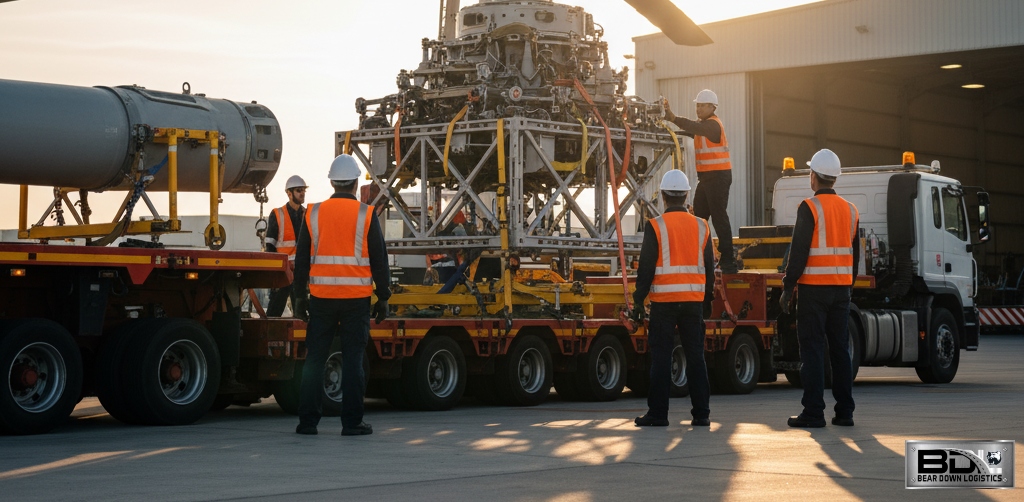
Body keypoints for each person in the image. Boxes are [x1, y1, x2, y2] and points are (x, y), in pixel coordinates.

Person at [292, 154, 391, 436]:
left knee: (314, 360)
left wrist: (299, 297)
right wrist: (383, 297)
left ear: (332, 182)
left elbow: (301, 261)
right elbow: (379, 259)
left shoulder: (313, 213)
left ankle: (307, 422)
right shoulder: (366, 214)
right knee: (353, 360)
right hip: (356, 300)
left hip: (321, 298)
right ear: (355, 181)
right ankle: (352, 422)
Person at [779, 149, 859, 428]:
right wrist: (848, 286)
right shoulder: (851, 210)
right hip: (841, 291)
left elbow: (798, 253)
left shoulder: (809, 207)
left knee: (812, 351)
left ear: (814, 177)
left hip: (813, 291)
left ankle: (813, 412)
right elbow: (855, 255)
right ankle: (845, 412)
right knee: (840, 351)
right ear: (834, 178)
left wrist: (788, 287)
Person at [631, 170, 715, 427]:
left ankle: (658, 414)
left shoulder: (655, 226)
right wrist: (707, 299)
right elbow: (709, 268)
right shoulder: (702, 227)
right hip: (692, 302)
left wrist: (637, 300)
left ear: (664, 197)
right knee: (696, 357)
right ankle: (701, 414)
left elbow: (646, 268)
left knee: (661, 358)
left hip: (664, 303)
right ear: (687, 195)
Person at [663, 89, 738, 274]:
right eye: (697, 105)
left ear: (713, 107)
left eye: (702, 105)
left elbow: (694, 128)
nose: (698, 109)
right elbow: (692, 130)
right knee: (699, 219)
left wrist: (672, 117)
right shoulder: (702, 126)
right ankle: (699, 257)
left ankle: (728, 260)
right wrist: (667, 130)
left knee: (719, 216)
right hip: (706, 178)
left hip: (718, 177)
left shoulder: (712, 126)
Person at [265, 175, 309, 319]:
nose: (302, 193)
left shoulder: (307, 214)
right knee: (275, 309)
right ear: (289, 194)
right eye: (298, 190)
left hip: (301, 271)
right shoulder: (277, 214)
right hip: (283, 271)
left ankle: (300, 341)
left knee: (300, 311)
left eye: (303, 190)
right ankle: (269, 337)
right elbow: (270, 246)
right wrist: (273, 272)